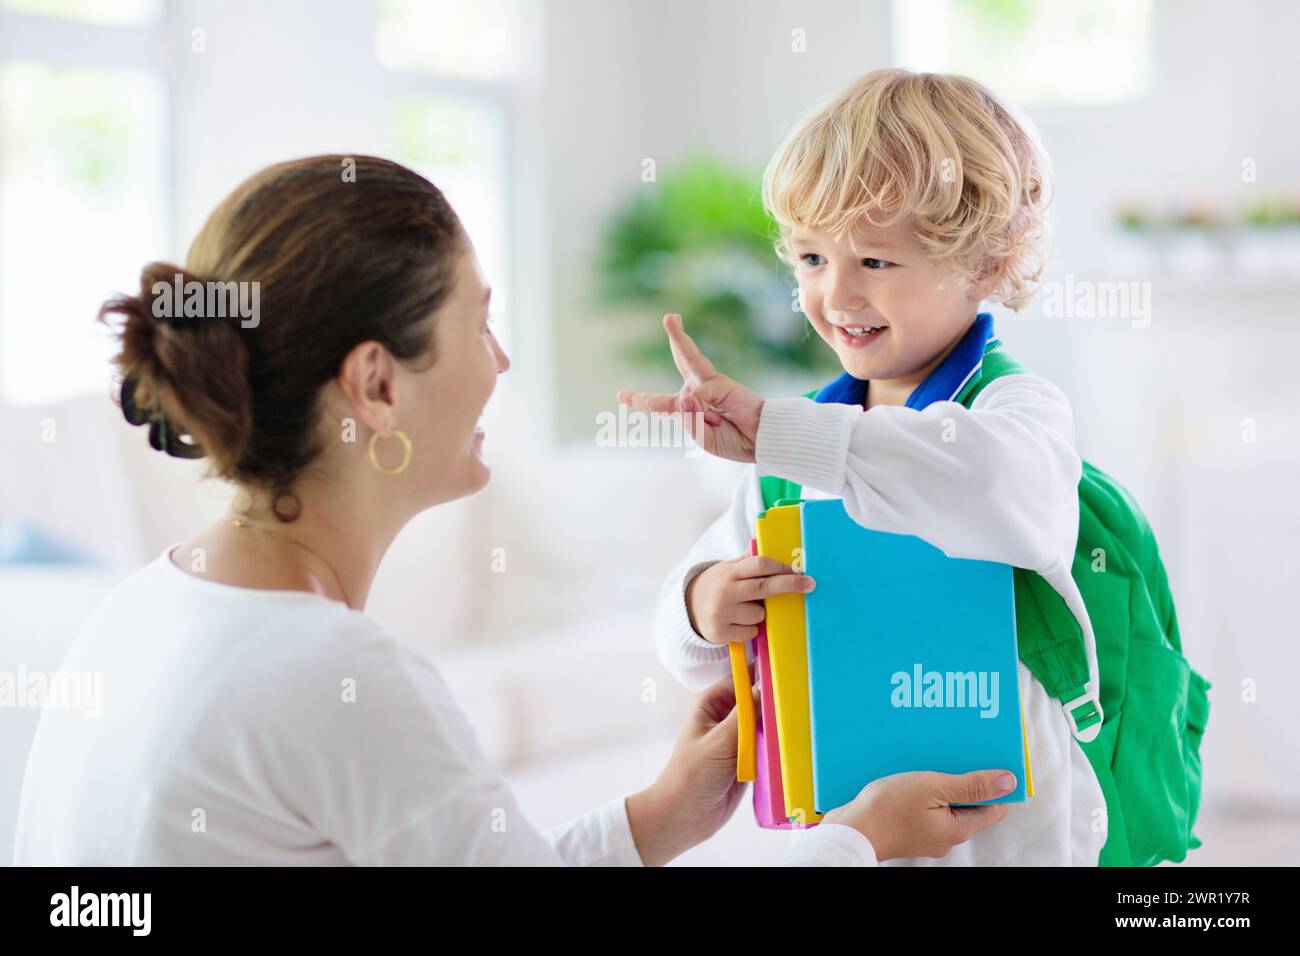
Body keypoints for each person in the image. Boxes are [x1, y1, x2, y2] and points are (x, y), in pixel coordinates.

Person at [14, 155, 1014, 866]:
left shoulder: (150, 609)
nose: (501, 361)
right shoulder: (331, 671)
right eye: (478, 323)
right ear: (376, 383)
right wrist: (858, 839)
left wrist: (660, 813)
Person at [623, 69, 1109, 865]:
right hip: (850, 821)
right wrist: (702, 601)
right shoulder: (787, 453)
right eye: (812, 257)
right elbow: (688, 652)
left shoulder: (1017, 410)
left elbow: (981, 482)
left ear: (988, 263)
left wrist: (790, 434)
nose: (834, 292)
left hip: (1005, 827)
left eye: (876, 261)